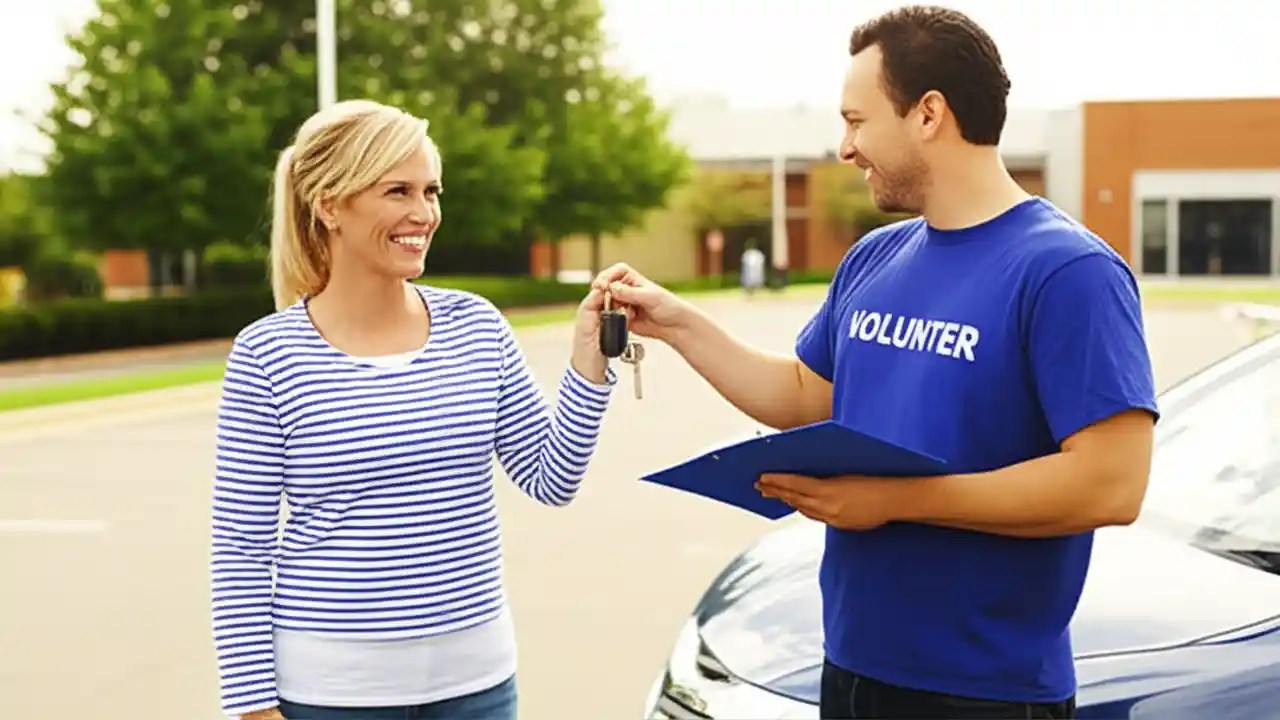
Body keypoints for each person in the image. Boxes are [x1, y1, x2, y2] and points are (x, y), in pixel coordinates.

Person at [594, 6, 1157, 719]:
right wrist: (678, 324)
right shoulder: (875, 257)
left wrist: (892, 502)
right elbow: (804, 393)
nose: (844, 148)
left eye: (857, 121)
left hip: (983, 692)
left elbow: (1110, 484)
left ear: (928, 113)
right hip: (854, 666)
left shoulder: (1068, 271)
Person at [210, 99, 618, 720]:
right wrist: (253, 708)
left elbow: (551, 480)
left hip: (478, 685)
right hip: (332, 696)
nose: (423, 214)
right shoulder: (269, 355)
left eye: (431, 191)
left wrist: (589, 364)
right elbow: (240, 547)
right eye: (398, 191)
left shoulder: (477, 325)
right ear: (329, 205)